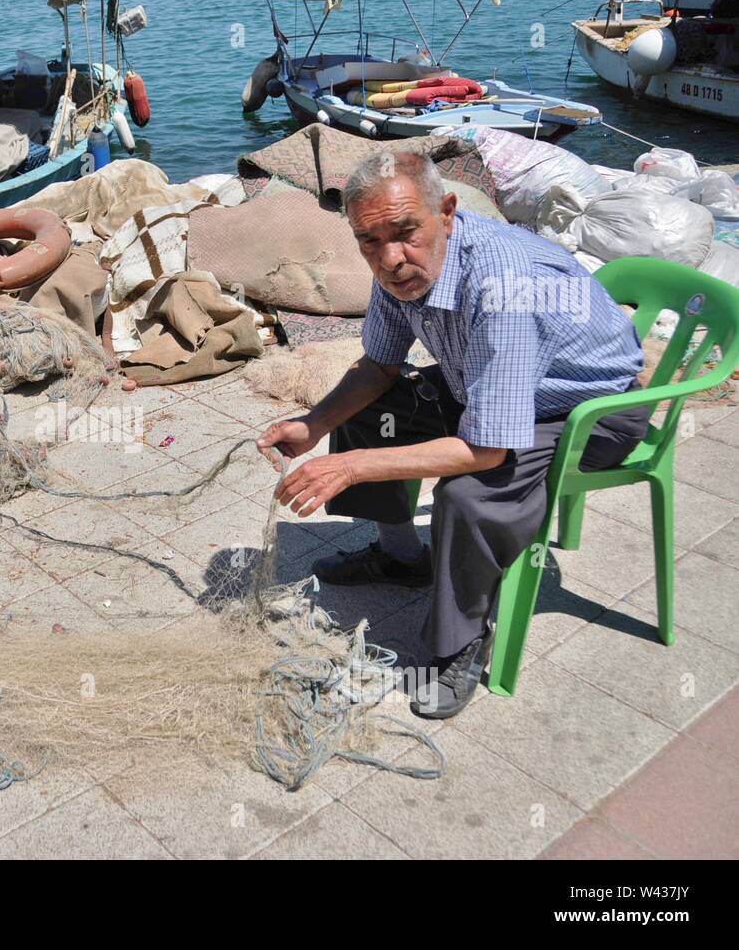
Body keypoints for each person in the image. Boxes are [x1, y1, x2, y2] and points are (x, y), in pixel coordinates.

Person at [258, 152, 649, 718]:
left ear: (445, 212)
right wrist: (313, 424)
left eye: (405, 232)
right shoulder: (403, 272)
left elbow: (485, 449)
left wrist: (352, 466)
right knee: (377, 407)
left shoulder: (505, 287)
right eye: (370, 240)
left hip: (592, 411)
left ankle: (460, 640)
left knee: (467, 493)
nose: (391, 259)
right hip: (493, 385)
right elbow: (377, 367)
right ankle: (401, 558)